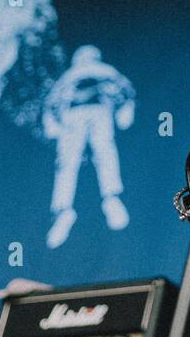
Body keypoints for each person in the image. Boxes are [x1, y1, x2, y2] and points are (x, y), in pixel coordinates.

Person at [43, 45, 136, 247]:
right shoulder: (72, 76)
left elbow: (124, 91)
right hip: (75, 117)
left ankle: (110, 198)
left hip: (97, 112)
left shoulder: (105, 71)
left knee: (101, 153)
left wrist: (124, 111)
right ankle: (64, 210)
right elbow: (53, 102)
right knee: (73, 161)